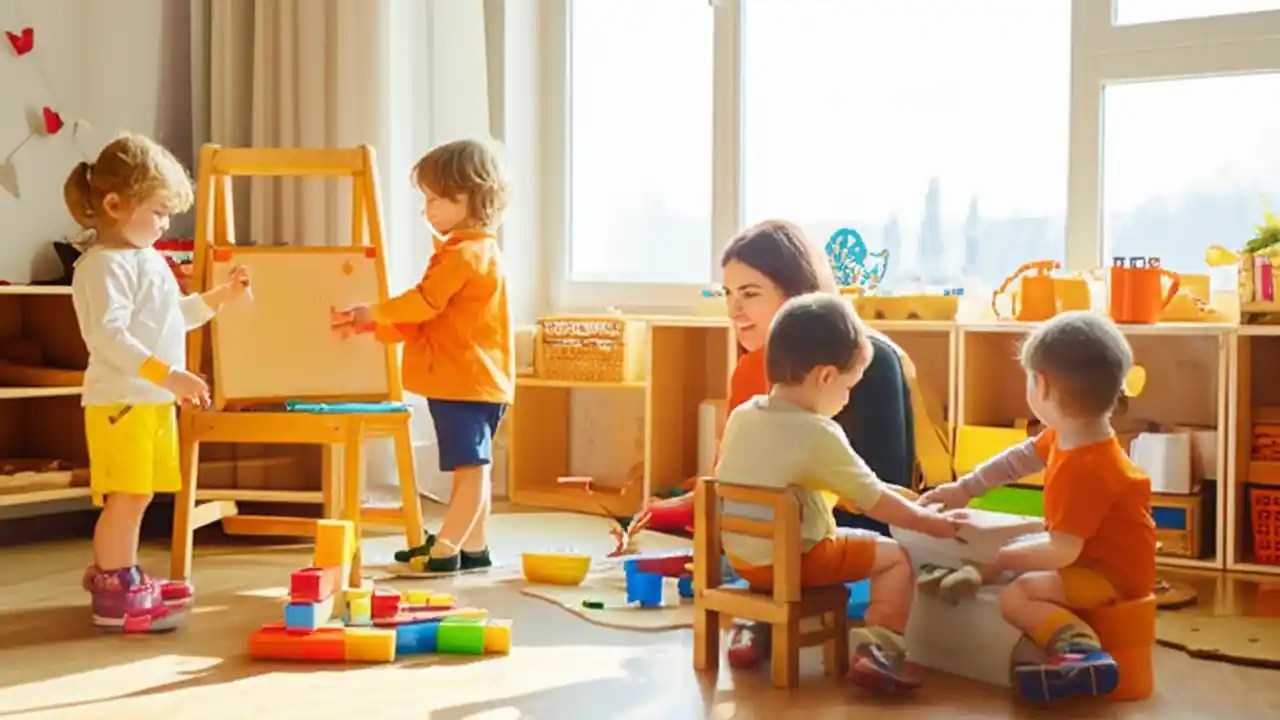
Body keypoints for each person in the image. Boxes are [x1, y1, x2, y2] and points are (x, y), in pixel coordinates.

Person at [644, 219, 925, 667]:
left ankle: (758, 619)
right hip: (789, 538)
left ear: (797, 297)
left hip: (835, 529)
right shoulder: (750, 372)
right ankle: (777, 618)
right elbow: (732, 478)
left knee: (756, 558)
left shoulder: (865, 362)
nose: (734, 309)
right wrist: (675, 508)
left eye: (750, 293)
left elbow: (879, 491)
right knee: (744, 552)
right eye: (728, 295)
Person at [717, 292, 958, 692]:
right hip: (797, 558)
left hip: (743, 558)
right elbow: (874, 500)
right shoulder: (818, 432)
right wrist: (927, 522)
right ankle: (878, 648)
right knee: (894, 559)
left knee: (781, 545)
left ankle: (752, 624)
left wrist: (903, 496)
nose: (847, 399)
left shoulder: (746, 415)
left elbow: (837, 486)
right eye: (849, 387)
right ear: (826, 377)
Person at [919, 311, 1156, 703]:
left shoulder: (1086, 468)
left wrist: (996, 560)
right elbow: (1019, 458)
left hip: (1109, 575)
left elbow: (1062, 550)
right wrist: (965, 489)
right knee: (1019, 553)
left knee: (1018, 594)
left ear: (1041, 385)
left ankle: (1081, 651)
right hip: (1091, 558)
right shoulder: (1070, 434)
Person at [66, 133, 251, 632]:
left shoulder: (146, 260)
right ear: (113, 204)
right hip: (121, 402)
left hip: (150, 399)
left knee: (141, 494)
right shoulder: (102, 267)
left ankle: (123, 573)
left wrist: (216, 298)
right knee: (126, 495)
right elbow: (110, 338)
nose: (166, 223)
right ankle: (114, 584)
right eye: (159, 211)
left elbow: (170, 318)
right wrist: (167, 375)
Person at [334, 139, 514, 574]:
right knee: (473, 466)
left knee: (470, 468)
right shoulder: (477, 251)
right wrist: (376, 325)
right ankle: (474, 545)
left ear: (465, 197)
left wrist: (373, 312)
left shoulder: (462, 254)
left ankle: (448, 546)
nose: (426, 211)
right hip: (475, 380)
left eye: (434, 200)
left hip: (463, 380)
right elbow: (434, 317)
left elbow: (424, 302)